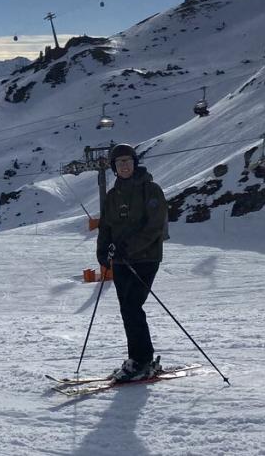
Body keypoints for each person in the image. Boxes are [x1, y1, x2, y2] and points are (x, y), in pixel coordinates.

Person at [96, 143, 169, 382]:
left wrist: (129, 248)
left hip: (146, 258)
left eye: (128, 161)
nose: (124, 165)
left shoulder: (151, 190)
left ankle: (142, 360)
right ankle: (136, 358)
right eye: (119, 162)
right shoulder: (112, 195)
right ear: (114, 167)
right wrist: (103, 253)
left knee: (132, 306)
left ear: (135, 163)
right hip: (120, 261)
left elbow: (155, 226)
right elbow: (105, 227)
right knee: (127, 309)